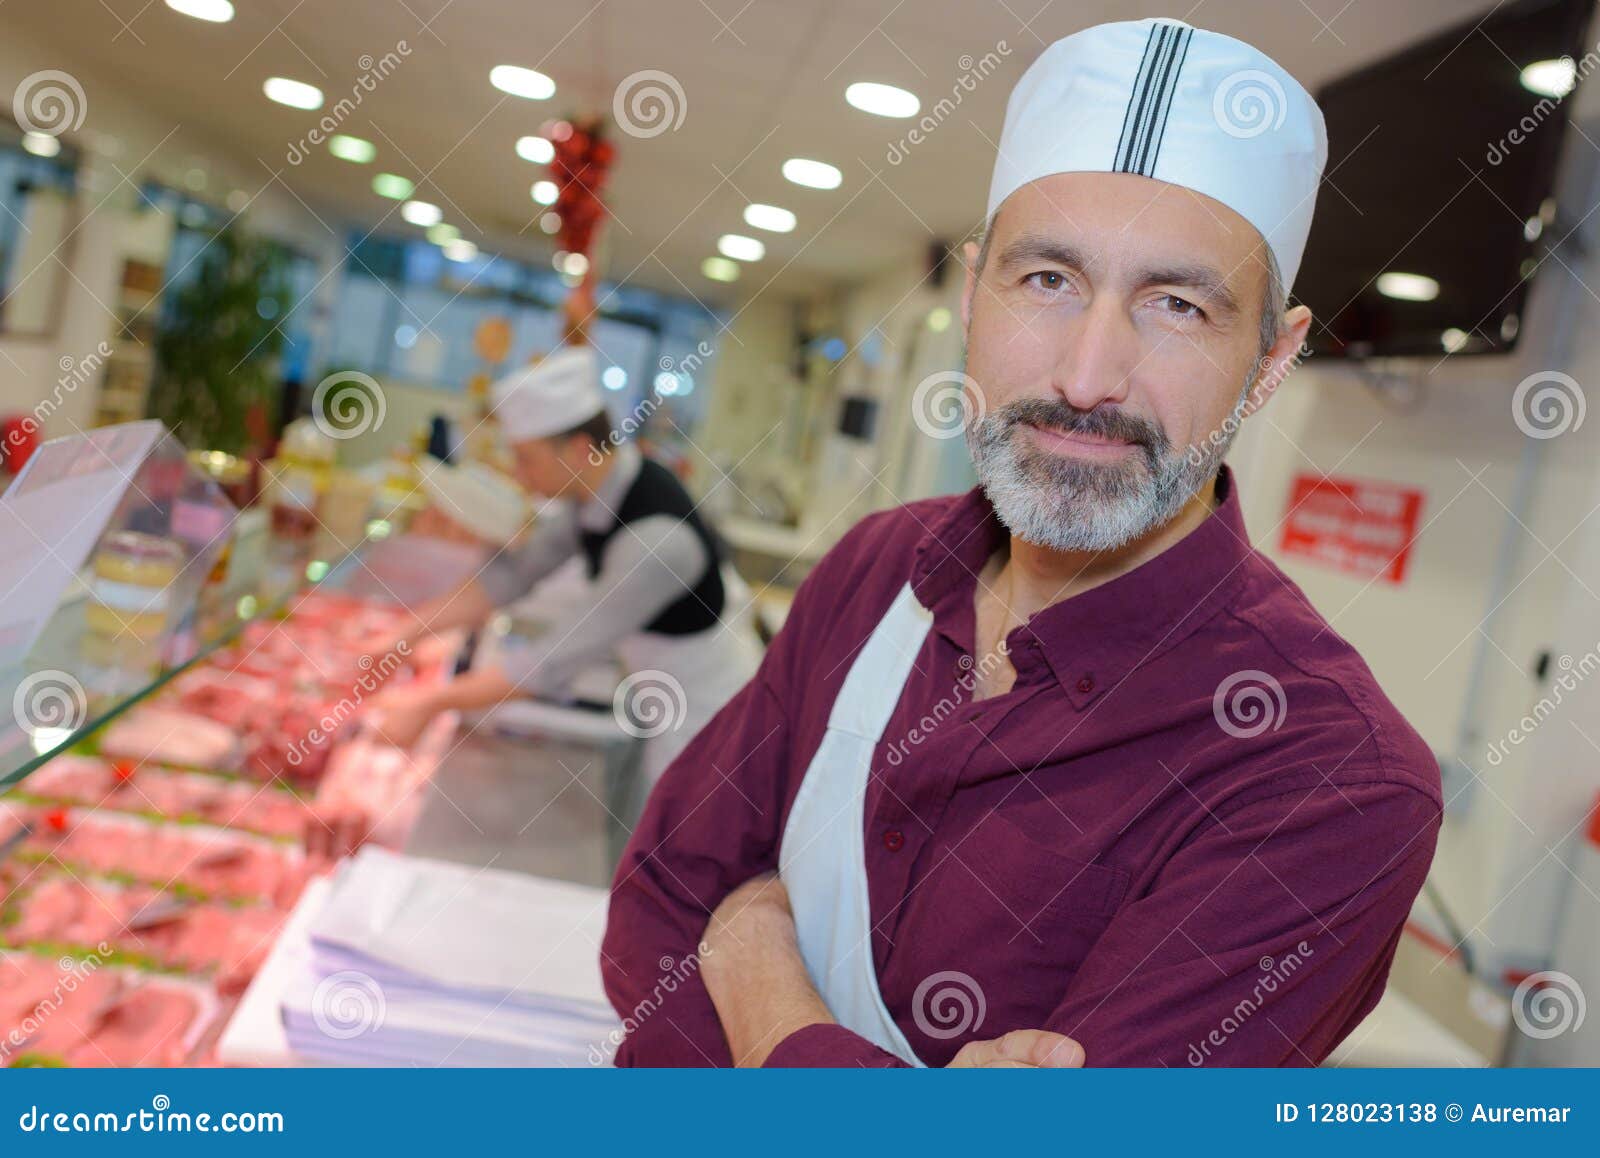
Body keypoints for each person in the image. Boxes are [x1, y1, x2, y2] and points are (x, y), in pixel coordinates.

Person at [600, 17, 1442, 1068]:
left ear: (1270, 362)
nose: (1087, 376)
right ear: (970, 294)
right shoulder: (876, 572)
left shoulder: (1329, 779)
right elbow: (657, 912)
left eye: (1177, 306)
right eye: (1046, 280)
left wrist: (760, 974)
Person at [367, 344, 762, 789]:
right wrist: (403, 635)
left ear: (577, 450)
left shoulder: (657, 543)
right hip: (660, 689)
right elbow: (512, 576)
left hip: (709, 714)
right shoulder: (592, 493)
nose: (518, 475)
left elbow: (553, 660)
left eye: (526, 459)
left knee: (684, 827)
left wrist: (429, 703)